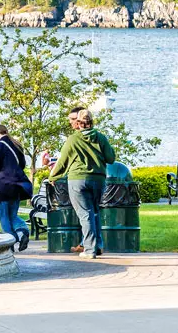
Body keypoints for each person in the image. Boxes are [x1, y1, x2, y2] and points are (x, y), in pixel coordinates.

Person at [48, 107, 116, 258]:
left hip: (78, 179)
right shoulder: (101, 137)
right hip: (98, 179)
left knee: (85, 214)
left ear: (78, 123)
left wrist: (53, 177)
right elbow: (111, 158)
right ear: (92, 122)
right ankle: (98, 246)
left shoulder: (73, 139)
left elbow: (63, 161)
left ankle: (90, 250)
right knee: (95, 212)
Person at [0, 124, 31, 251]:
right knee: (13, 215)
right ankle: (23, 232)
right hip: (16, 186)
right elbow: (22, 164)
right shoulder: (17, 145)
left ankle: (10, 244)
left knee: (4, 216)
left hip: (2, 187)